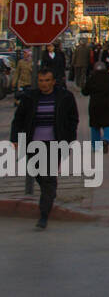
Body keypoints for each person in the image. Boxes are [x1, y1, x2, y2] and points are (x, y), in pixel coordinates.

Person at [9, 67, 79, 230]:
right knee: (37, 173)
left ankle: (43, 215)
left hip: (55, 142)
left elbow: (72, 119)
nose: (44, 84)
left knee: (47, 177)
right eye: (41, 81)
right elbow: (18, 119)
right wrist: (15, 139)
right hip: (33, 143)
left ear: (53, 81)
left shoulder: (65, 97)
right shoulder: (30, 97)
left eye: (47, 80)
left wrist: (69, 140)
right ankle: (50, 191)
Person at [85, 60, 109, 154]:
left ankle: (97, 147)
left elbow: (85, 91)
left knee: (95, 126)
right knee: (108, 124)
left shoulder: (92, 78)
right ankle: (106, 139)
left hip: (95, 105)